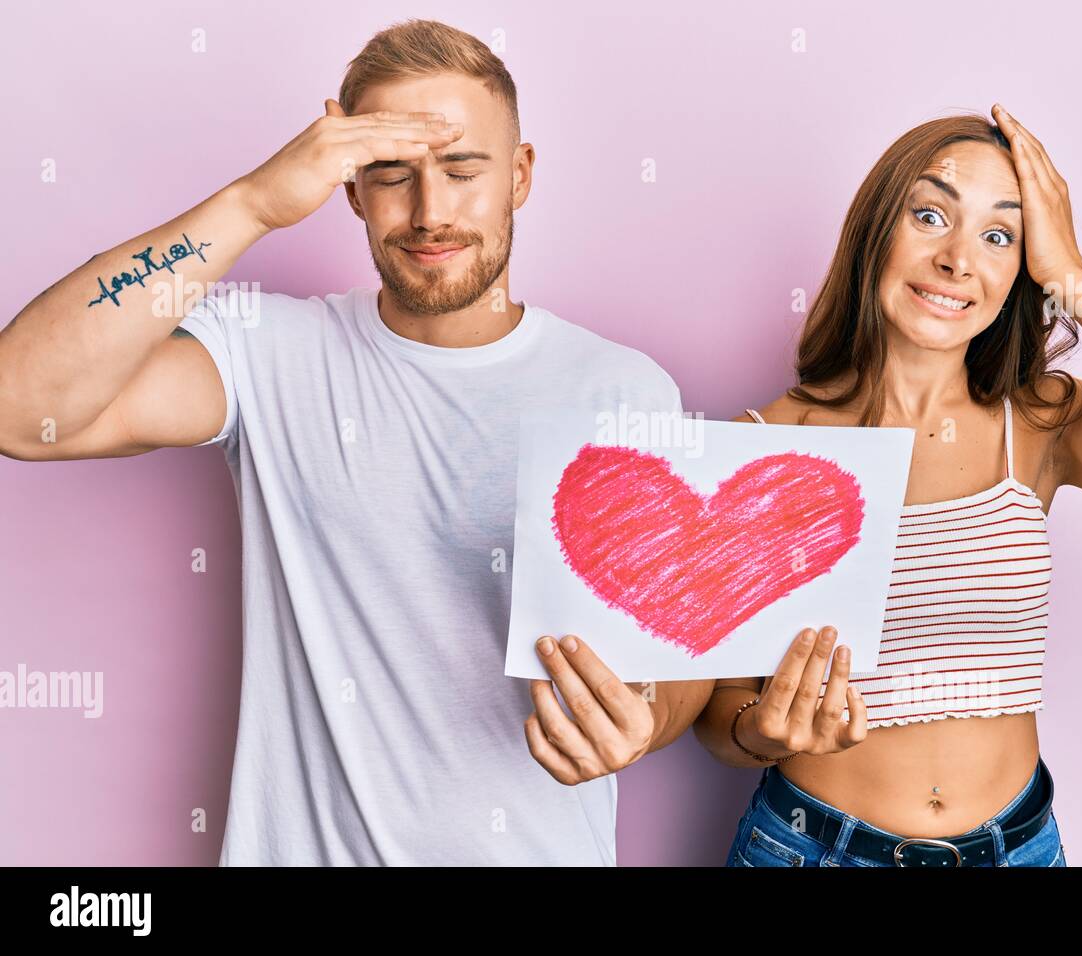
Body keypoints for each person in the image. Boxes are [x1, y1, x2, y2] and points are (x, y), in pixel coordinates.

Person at [0, 18, 713, 865]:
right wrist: (252, 203)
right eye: (389, 175)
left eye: (461, 169)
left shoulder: (623, 389)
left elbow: (678, 664)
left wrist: (639, 725)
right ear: (347, 189)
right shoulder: (268, 351)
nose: (430, 211)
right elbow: (21, 407)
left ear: (520, 176)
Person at [693, 104, 1082, 867]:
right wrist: (760, 730)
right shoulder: (755, 447)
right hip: (812, 849)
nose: (957, 260)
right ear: (874, 229)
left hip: (1017, 850)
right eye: (928, 214)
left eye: (999, 235)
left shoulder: (1043, 425)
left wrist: (1075, 277)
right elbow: (717, 717)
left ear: (1022, 269)